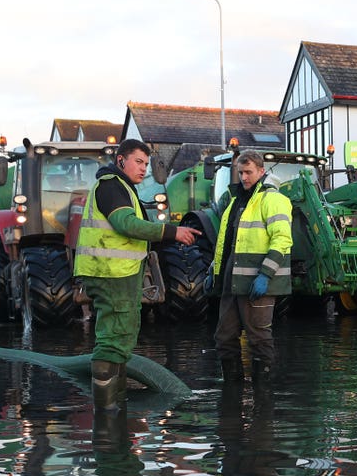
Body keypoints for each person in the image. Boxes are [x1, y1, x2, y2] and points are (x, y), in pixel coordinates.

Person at [75, 138, 198, 409]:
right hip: (110, 273)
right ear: (121, 161)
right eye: (138, 162)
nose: (144, 169)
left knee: (120, 338)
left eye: (146, 164)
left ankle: (115, 408)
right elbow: (126, 224)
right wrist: (172, 231)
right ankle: (107, 418)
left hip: (119, 272)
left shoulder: (123, 189)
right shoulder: (111, 186)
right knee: (111, 341)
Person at [211, 149, 292, 383]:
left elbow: (282, 239)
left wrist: (265, 274)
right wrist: (212, 270)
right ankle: (232, 392)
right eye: (240, 172)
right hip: (231, 282)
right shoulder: (236, 202)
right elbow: (227, 243)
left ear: (261, 171)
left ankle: (263, 394)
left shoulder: (273, 200)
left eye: (248, 172)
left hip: (258, 283)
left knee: (259, 339)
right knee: (224, 338)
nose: (244, 177)